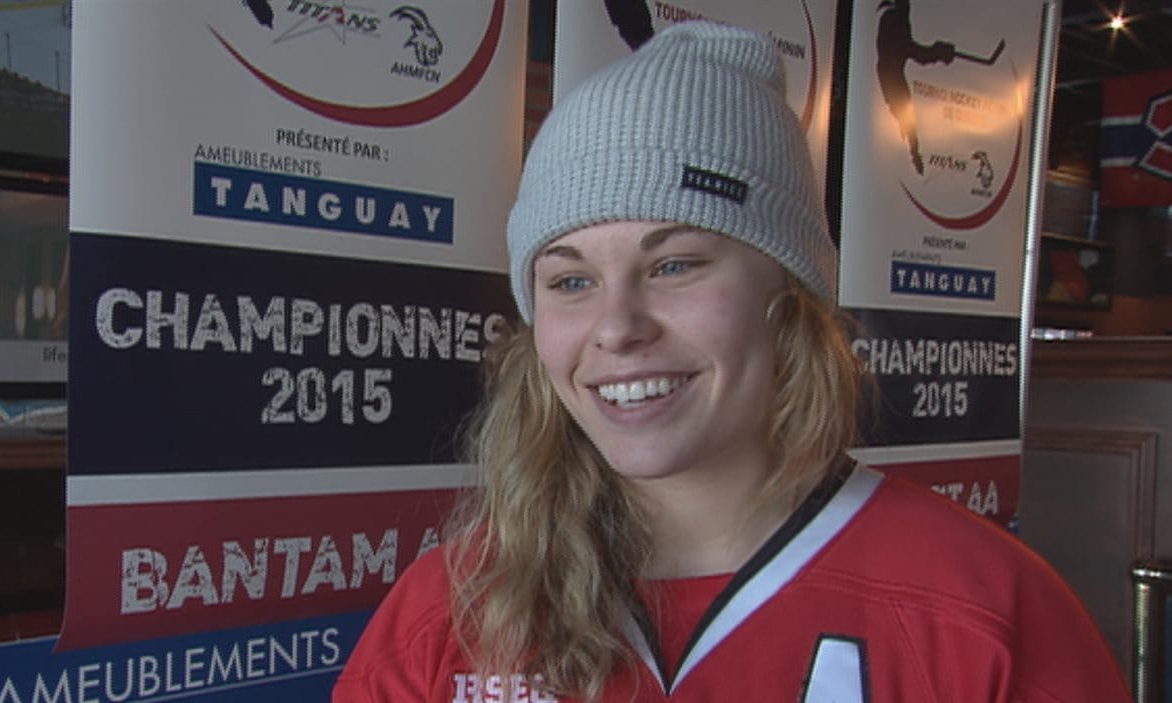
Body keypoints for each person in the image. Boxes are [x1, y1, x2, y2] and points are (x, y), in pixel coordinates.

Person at [332, 21, 1130, 702]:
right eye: (571, 280)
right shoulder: (450, 610)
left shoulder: (983, 611)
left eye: (675, 264)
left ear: (790, 296)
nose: (616, 327)